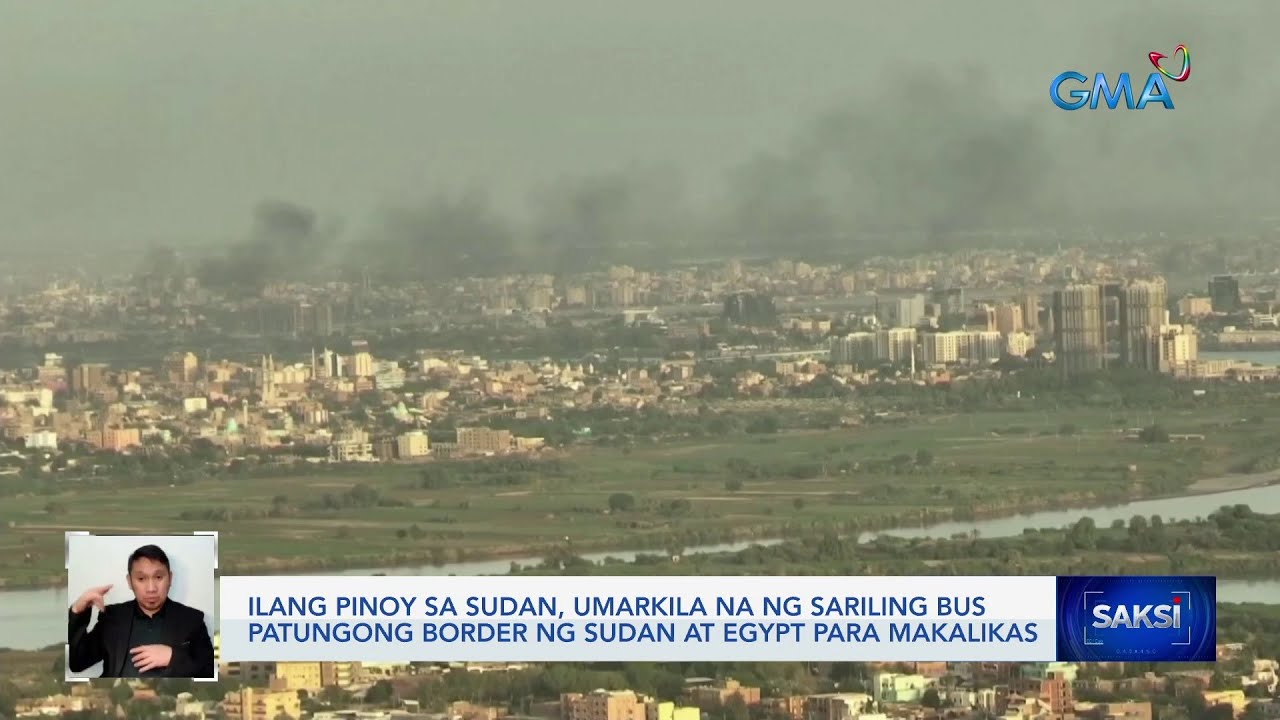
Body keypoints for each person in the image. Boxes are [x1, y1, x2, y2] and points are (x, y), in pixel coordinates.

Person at [67, 544, 215, 678]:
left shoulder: (192, 619)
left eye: (158, 577)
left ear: (170, 578)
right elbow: (77, 664)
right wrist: (78, 610)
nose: (151, 588)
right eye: (141, 579)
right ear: (130, 581)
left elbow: (209, 671)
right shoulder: (112, 617)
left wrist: (173, 657)